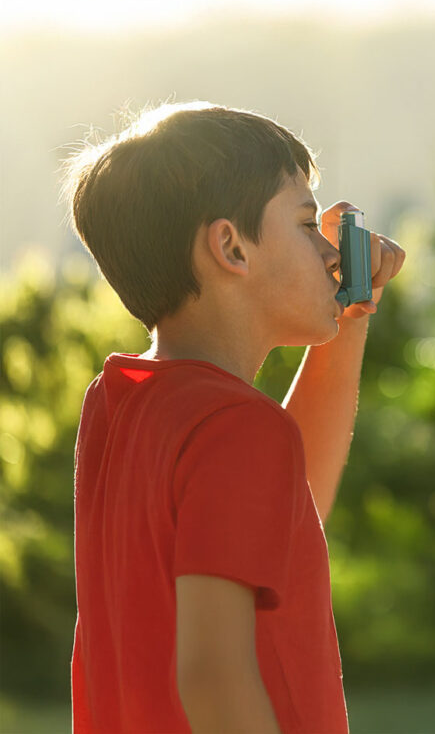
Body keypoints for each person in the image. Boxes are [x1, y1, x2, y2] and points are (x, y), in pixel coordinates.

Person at [60, 101, 405, 733]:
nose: (331, 253)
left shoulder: (120, 403)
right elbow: (213, 675)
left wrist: (352, 318)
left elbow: (289, 511)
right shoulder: (237, 427)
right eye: (307, 226)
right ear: (231, 248)